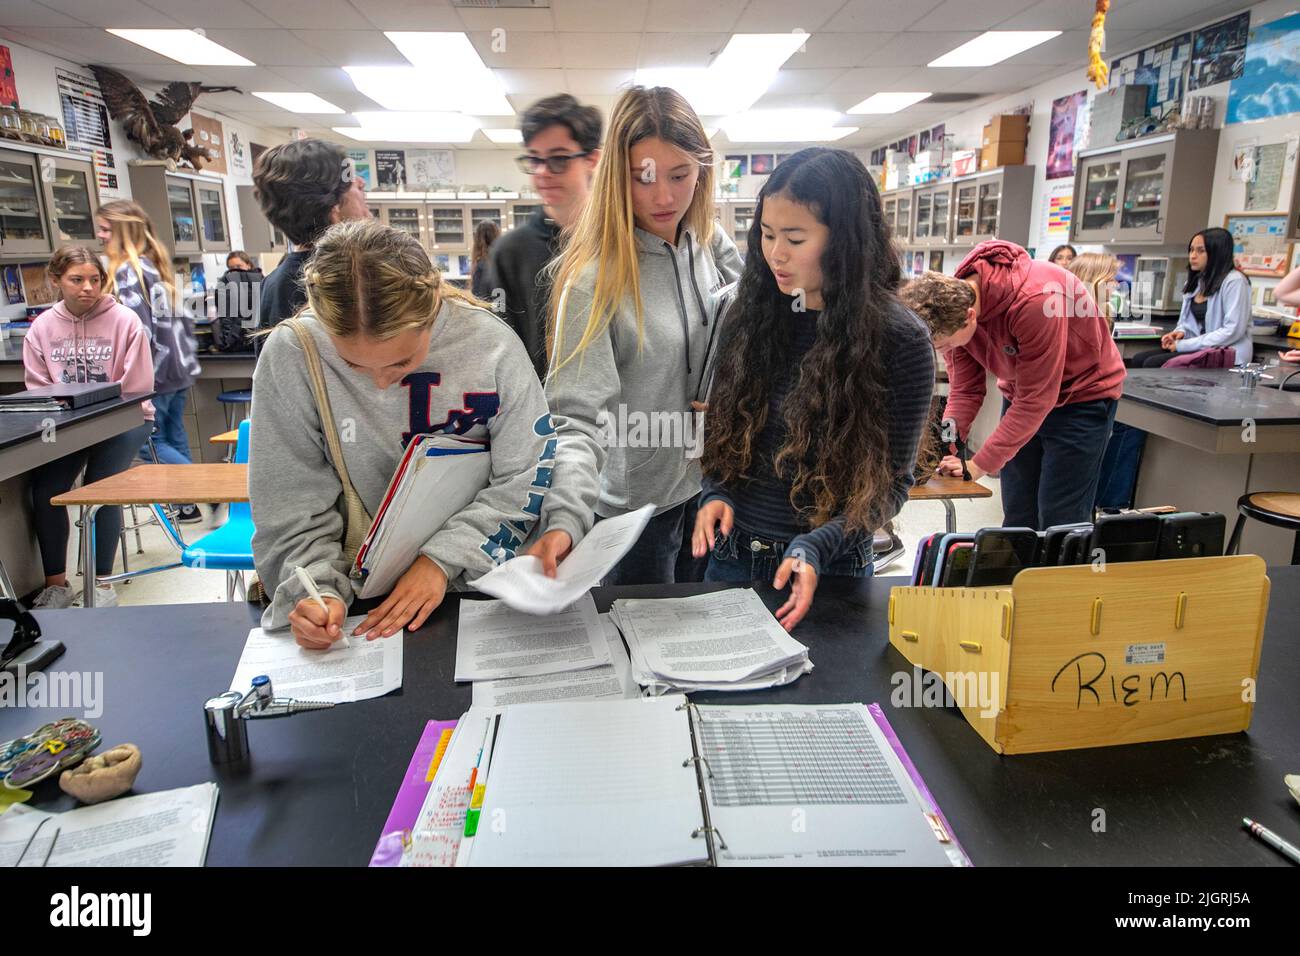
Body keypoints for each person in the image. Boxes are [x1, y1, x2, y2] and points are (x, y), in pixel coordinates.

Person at [250, 219, 555, 648]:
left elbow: (525, 476)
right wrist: (315, 593)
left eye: (402, 361)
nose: (380, 385)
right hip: (355, 606)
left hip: (473, 593)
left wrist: (441, 560)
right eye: (353, 367)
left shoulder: (491, 345)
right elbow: (289, 504)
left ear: (432, 306)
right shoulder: (293, 354)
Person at [690, 148, 934, 631]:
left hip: (829, 571)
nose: (775, 253)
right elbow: (725, 431)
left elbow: (890, 485)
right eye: (766, 234)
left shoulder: (899, 339)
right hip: (734, 557)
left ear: (845, 241)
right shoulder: (753, 313)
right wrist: (716, 493)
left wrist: (817, 546)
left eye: (795, 238)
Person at [524, 86, 743, 586]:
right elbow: (575, 418)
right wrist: (563, 519)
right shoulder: (592, 282)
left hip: (708, 488)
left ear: (702, 172)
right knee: (637, 649)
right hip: (635, 511)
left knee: (697, 636)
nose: (663, 196)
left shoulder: (709, 243)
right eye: (641, 177)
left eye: (680, 175)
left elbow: (751, 320)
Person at [900, 242, 1126, 530]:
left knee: (1060, 517)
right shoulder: (951, 306)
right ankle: (1017, 575)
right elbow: (965, 391)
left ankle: (1060, 575)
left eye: (943, 345)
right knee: (1019, 512)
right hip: (1023, 396)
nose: (942, 350)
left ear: (970, 317)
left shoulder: (1035, 301)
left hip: (1082, 397)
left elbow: (1037, 400)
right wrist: (948, 445)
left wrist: (978, 465)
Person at [25, 246, 156, 609]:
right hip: (70, 424)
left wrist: (100, 414)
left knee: (101, 488)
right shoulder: (42, 328)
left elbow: (137, 387)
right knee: (47, 489)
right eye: (77, 280)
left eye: (95, 280)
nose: (88, 288)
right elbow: (40, 387)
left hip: (128, 417)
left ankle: (102, 583)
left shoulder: (125, 321)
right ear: (56, 281)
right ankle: (57, 585)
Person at [95, 200, 204, 522]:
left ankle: (204, 491)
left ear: (121, 231)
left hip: (154, 375)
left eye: (104, 228)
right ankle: (189, 507)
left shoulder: (128, 272)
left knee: (150, 443)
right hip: (176, 370)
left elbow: (138, 331)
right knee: (173, 437)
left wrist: (129, 378)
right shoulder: (154, 266)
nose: (99, 235)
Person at [485, 94, 603, 379]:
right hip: (535, 412)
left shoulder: (619, 243)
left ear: (592, 159)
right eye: (534, 160)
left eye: (559, 159)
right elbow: (495, 346)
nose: (542, 173)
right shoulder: (509, 254)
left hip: (617, 413)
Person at [252, 138, 372, 330]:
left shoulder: (276, 283)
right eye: (350, 178)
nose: (361, 183)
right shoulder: (348, 280)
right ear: (334, 208)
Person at [1127, 227, 1252, 368]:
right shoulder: (1196, 282)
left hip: (1225, 353)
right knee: (1138, 359)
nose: (1192, 256)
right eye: (1191, 250)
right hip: (1200, 349)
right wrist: (1180, 332)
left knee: (1153, 364)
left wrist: (1184, 345)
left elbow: (1232, 331)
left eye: (1200, 251)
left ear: (1217, 253)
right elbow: (1187, 323)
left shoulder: (1235, 281)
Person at [211, 250, 263, 353]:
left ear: (248, 265)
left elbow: (225, 319)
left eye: (238, 266)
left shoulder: (225, 284)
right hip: (260, 342)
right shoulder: (263, 280)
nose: (235, 271)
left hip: (236, 343)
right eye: (231, 268)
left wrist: (225, 343)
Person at [1067, 252, 1120, 328]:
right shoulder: (1072, 320)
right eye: (1110, 280)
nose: (1116, 284)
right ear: (1093, 281)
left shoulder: (1104, 313)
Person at [470, 220, 500, 300]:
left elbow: (479, 300)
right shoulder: (503, 261)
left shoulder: (480, 266)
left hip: (490, 310)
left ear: (477, 240)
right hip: (503, 309)